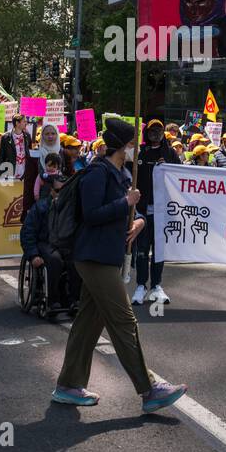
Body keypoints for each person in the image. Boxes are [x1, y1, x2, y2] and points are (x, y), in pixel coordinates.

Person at [51, 118, 187, 413]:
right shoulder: (96, 173)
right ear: (124, 145)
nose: (136, 147)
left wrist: (138, 219)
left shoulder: (121, 172)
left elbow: (134, 211)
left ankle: (68, 385)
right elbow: (91, 214)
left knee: (87, 324)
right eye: (132, 142)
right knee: (125, 321)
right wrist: (125, 204)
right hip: (93, 257)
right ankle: (149, 389)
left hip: (106, 256)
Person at [133, 119, 179, 306]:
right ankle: (140, 285)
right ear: (147, 132)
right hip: (143, 211)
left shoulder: (170, 153)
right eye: (152, 130)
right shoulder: (140, 153)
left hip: (162, 212)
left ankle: (156, 285)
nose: (155, 133)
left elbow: (180, 176)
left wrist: (167, 163)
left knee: (159, 250)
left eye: (159, 130)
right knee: (142, 250)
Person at [21, 170, 79, 310]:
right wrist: (33, 254)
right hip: (45, 243)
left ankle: (74, 299)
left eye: (65, 191)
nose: (61, 194)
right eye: (58, 191)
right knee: (55, 260)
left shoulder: (72, 209)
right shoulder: (40, 208)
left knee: (77, 260)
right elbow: (27, 232)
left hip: (65, 244)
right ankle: (53, 300)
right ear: (51, 191)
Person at [0, 115, 33, 182]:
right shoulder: (5, 137)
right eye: (24, 121)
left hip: (24, 172)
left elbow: (29, 153)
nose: (26, 123)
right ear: (17, 123)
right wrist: (0, 173)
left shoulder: (27, 136)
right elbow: (1, 157)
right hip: (9, 171)